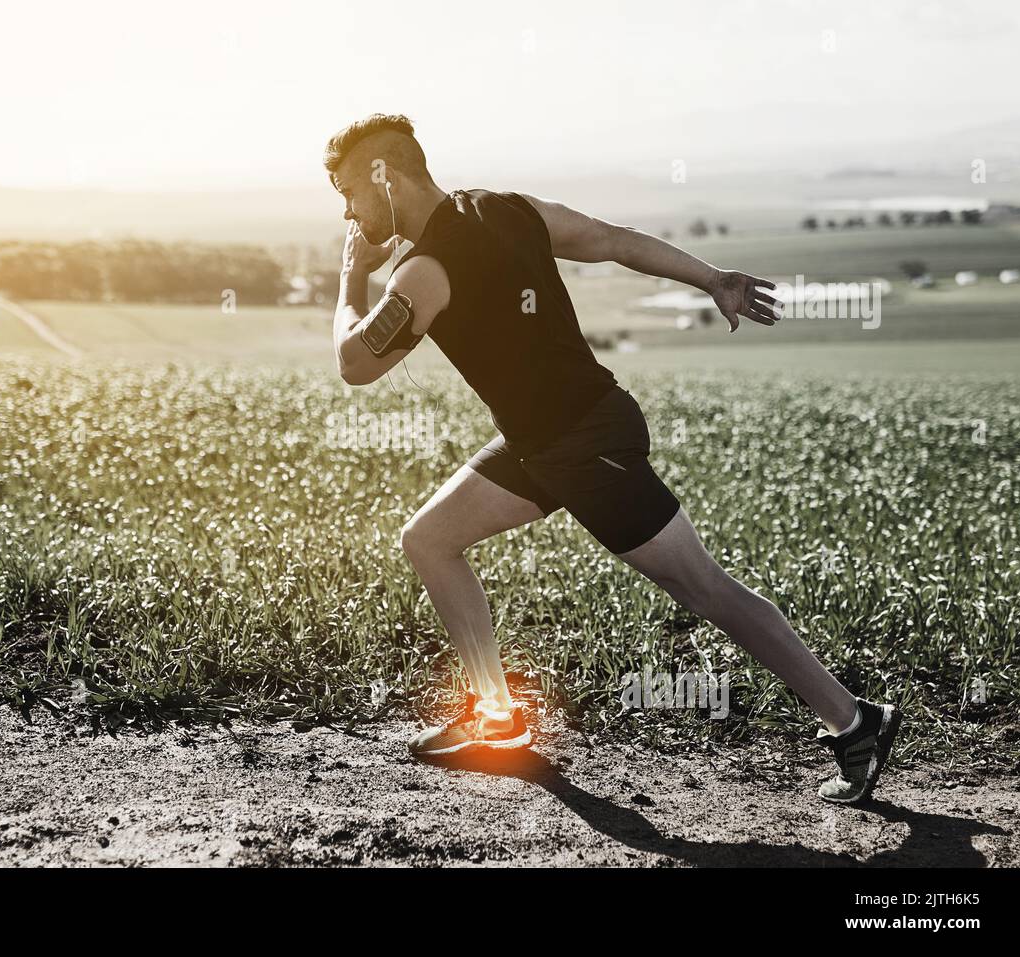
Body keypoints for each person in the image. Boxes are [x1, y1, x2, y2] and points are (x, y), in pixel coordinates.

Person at [325, 113, 901, 804]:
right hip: (541, 443)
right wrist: (712, 277)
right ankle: (497, 719)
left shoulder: (424, 272)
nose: (350, 213)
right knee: (430, 539)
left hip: (585, 444)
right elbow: (612, 241)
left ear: (385, 175)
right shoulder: (509, 209)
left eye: (350, 192)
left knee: (703, 587)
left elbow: (354, 362)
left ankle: (853, 719)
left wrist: (350, 278)